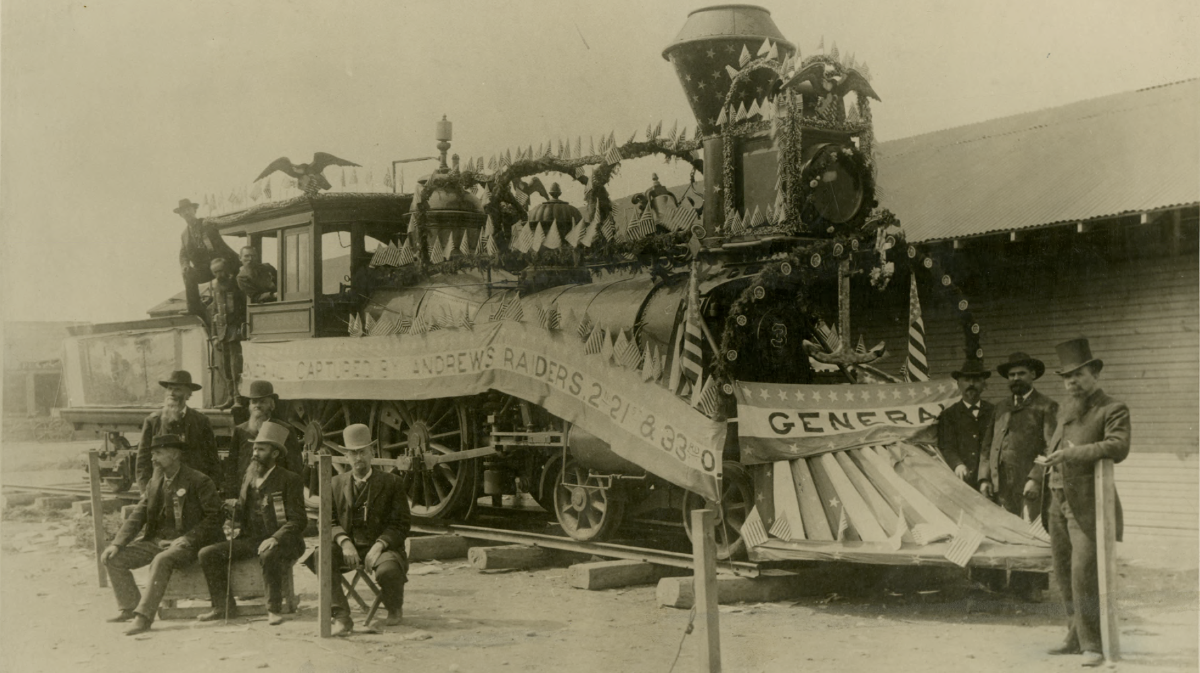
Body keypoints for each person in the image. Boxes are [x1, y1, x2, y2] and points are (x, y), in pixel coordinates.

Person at [1041, 338, 1129, 667]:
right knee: (1063, 572)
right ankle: (1074, 635)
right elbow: (1055, 447)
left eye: (1078, 374)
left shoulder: (1113, 408)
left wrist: (1072, 454)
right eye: (1066, 377)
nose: (1072, 382)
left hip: (1089, 505)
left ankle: (1093, 644)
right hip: (1057, 500)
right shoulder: (1066, 408)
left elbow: (1118, 447)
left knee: (1083, 573)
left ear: (1094, 373)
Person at [100, 434, 222, 635]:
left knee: (161, 560)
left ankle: (144, 617)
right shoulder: (155, 483)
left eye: (158, 453)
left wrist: (187, 538)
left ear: (174, 454)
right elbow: (138, 515)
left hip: (192, 544)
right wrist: (117, 543)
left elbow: (216, 517)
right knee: (114, 559)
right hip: (159, 541)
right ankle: (130, 607)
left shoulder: (199, 481)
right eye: (152, 453)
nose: (152, 458)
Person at [196, 421, 306, 625]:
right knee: (207, 553)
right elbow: (243, 512)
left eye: (261, 449)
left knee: (269, 552)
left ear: (275, 454)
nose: (254, 453)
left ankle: (273, 609)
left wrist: (275, 538)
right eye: (254, 447)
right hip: (251, 539)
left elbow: (299, 520)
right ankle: (223, 607)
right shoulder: (249, 476)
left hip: (285, 541)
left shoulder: (290, 480)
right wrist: (231, 511)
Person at [980, 352, 1059, 599]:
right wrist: (984, 478)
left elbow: (1050, 447)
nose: (1016, 378)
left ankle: (1032, 586)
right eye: (1011, 375)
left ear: (1033, 375)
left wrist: (1036, 477)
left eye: (1021, 373)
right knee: (1004, 532)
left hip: (1028, 485)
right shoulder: (1001, 407)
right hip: (1000, 483)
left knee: (1031, 531)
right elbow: (987, 445)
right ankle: (1005, 585)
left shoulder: (1046, 406)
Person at [320, 423, 410, 635]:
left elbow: (401, 524)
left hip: (382, 548)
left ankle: (394, 607)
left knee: (389, 570)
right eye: (352, 453)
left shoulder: (392, 483)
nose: (358, 458)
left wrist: (380, 545)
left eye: (362, 452)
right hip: (348, 549)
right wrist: (344, 541)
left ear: (372, 452)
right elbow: (327, 522)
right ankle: (341, 617)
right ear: (346, 456)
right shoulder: (334, 483)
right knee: (320, 557)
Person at [138, 371, 220, 492]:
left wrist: (212, 488)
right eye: (169, 389)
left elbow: (212, 458)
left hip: (193, 488)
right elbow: (143, 460)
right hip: (161, 488)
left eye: (177, 389)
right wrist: (145, 491)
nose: (171, 393)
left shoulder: (201, 421)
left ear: (188, 394)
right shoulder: (153, 421)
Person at [226, 380, 304, 495]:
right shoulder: (240, 430)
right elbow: (231, 466)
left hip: (275, 493)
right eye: (254, 402)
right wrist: (231, 495)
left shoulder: (284, 429)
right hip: (245, 493)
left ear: (271, 405)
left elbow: (295, 467)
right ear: (249, 405)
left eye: (262, 402)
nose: (257, 406)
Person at [176, 198, 239, 324]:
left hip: (221, 261)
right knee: (188, 274)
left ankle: (232, 308)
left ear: (194, 210)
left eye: (188, 209)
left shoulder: (206, 223)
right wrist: (185, 265)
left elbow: (220, 244)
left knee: (226, 281)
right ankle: (194, 309)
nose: (187, 213)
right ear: (181, 215)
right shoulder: (184, 235)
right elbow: (183, 254)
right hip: (204, 268)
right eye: (183, 211)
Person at [937, 358, 995, 489]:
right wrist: (957, 464)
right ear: (958, 384)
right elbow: (947, 446)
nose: (971, 384)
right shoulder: (949, 415)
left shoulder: (994, 412)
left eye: (976, 380)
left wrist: (987, 475)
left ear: (984, 385)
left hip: (990, 479)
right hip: (962, 480)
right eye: (967, 380)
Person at [209, 258, 246, 409]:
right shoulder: (216, 286)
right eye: (215, 272)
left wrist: (242, 327)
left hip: (235, 330)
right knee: (225, 367)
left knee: (236, 366)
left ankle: (239, 398)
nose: (218, 275)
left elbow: (243, 308)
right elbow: (214, 311)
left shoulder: (236, 284)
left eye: (220, 271)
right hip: (222, 331)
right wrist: (215, 336)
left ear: (226, 270)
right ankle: (230, 397)